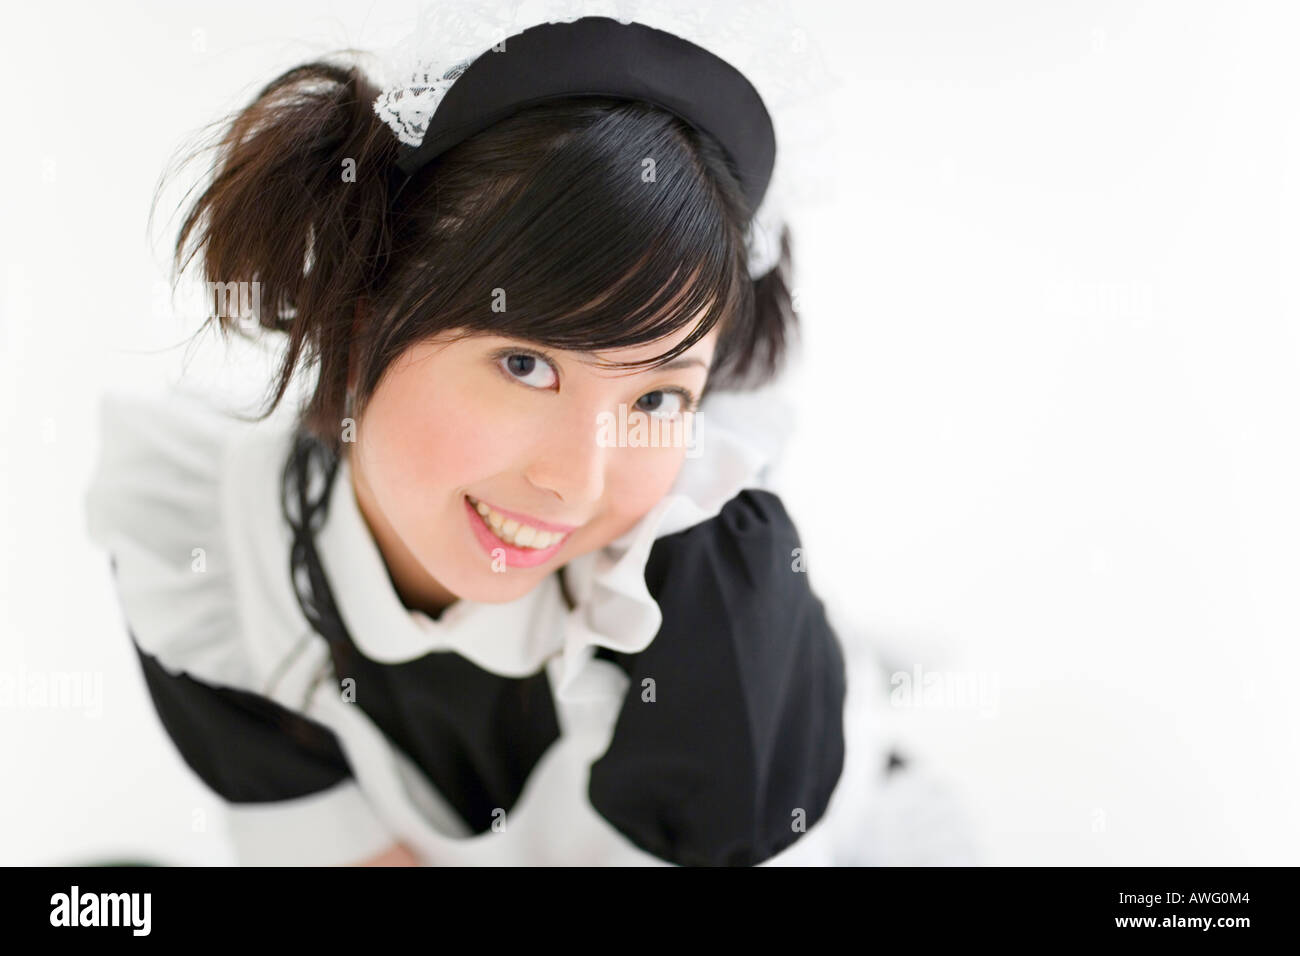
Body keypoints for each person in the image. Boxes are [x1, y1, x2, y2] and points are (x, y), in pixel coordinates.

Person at [85, 14, 968, 866]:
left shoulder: (708, 612)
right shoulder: (213, 551)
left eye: (658, 396)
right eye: (526, 365)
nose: (576, 484)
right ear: (361, 323)